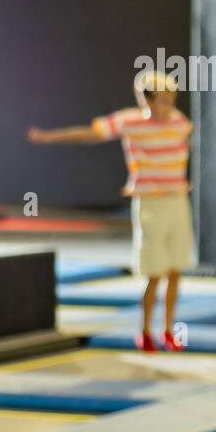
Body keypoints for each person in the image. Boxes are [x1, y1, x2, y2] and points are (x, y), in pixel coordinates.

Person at [29, 71, 193, 351]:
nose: (168, 106)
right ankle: (145, 331)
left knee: (176, 270)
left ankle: (168, 330)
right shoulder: (130, 122)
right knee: (154, 272)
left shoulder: (180, 122)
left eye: (171, 99)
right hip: (151, 203)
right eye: (162, 100)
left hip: (177, 200)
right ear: (147, 100)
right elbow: (90, 134)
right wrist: (51, 137)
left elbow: (182, 147)